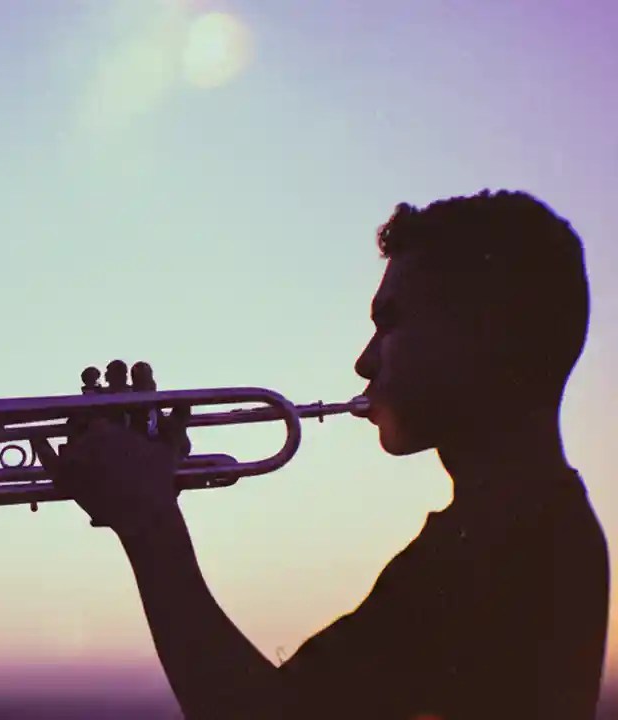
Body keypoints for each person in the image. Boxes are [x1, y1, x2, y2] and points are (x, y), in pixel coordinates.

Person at [49, 190, 609, 718]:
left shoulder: (512, 541)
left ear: (481, 334)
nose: (365, 363)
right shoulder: (519, 525)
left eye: (389, 323)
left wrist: (148, 520)